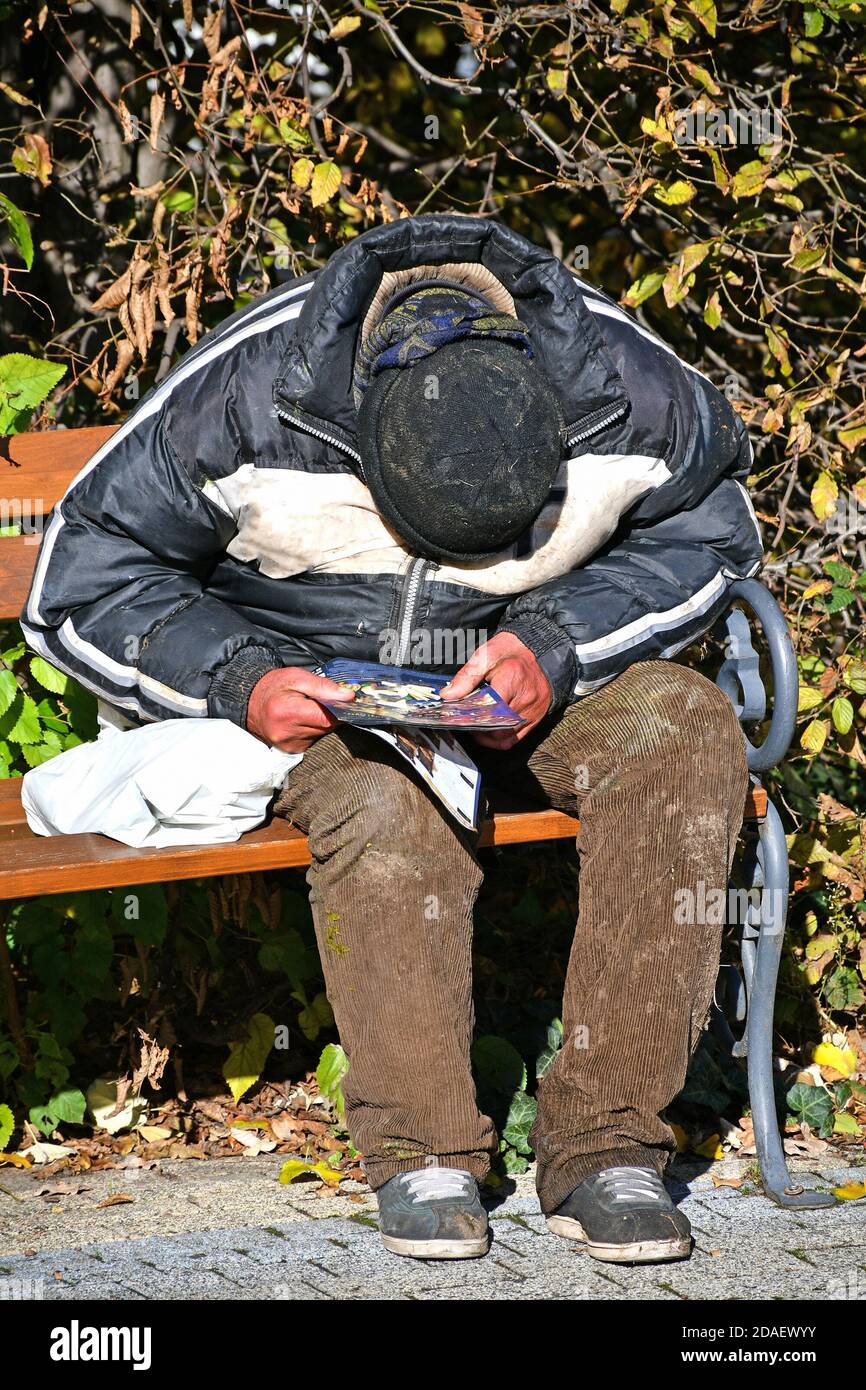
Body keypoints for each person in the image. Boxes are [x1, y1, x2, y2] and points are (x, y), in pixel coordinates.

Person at [22, 213, 761, 1264]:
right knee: (383, 798)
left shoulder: (623, 383)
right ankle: (424, 1152)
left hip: (530, 676)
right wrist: (242, 679)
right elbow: (84, 572)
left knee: (683, 730)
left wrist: (554, 642)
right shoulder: (249, 392)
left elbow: (709, 532)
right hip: (319, 695)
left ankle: (608, 1146)